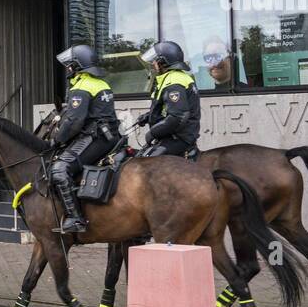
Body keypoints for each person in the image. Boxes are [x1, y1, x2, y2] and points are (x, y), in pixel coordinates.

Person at [49, 44, 118, 233]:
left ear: (77, 66)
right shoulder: (102, 83)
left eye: (69, 65)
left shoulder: (81, 86)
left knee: (60, 168)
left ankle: (75, 218)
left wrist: (58, 140)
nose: (67, 69)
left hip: (94, 137)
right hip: (110, 136)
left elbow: (74, 121)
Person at [134, 40, 200, 158]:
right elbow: (168, 108)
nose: (153, 64)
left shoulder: (174, 81)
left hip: (178, 138)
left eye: (154, 60)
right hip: (173, 136)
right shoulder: (171, 78)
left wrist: (153, 132)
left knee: (146, 164)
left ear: (162, 62)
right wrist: (149, 116)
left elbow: (178, 116)